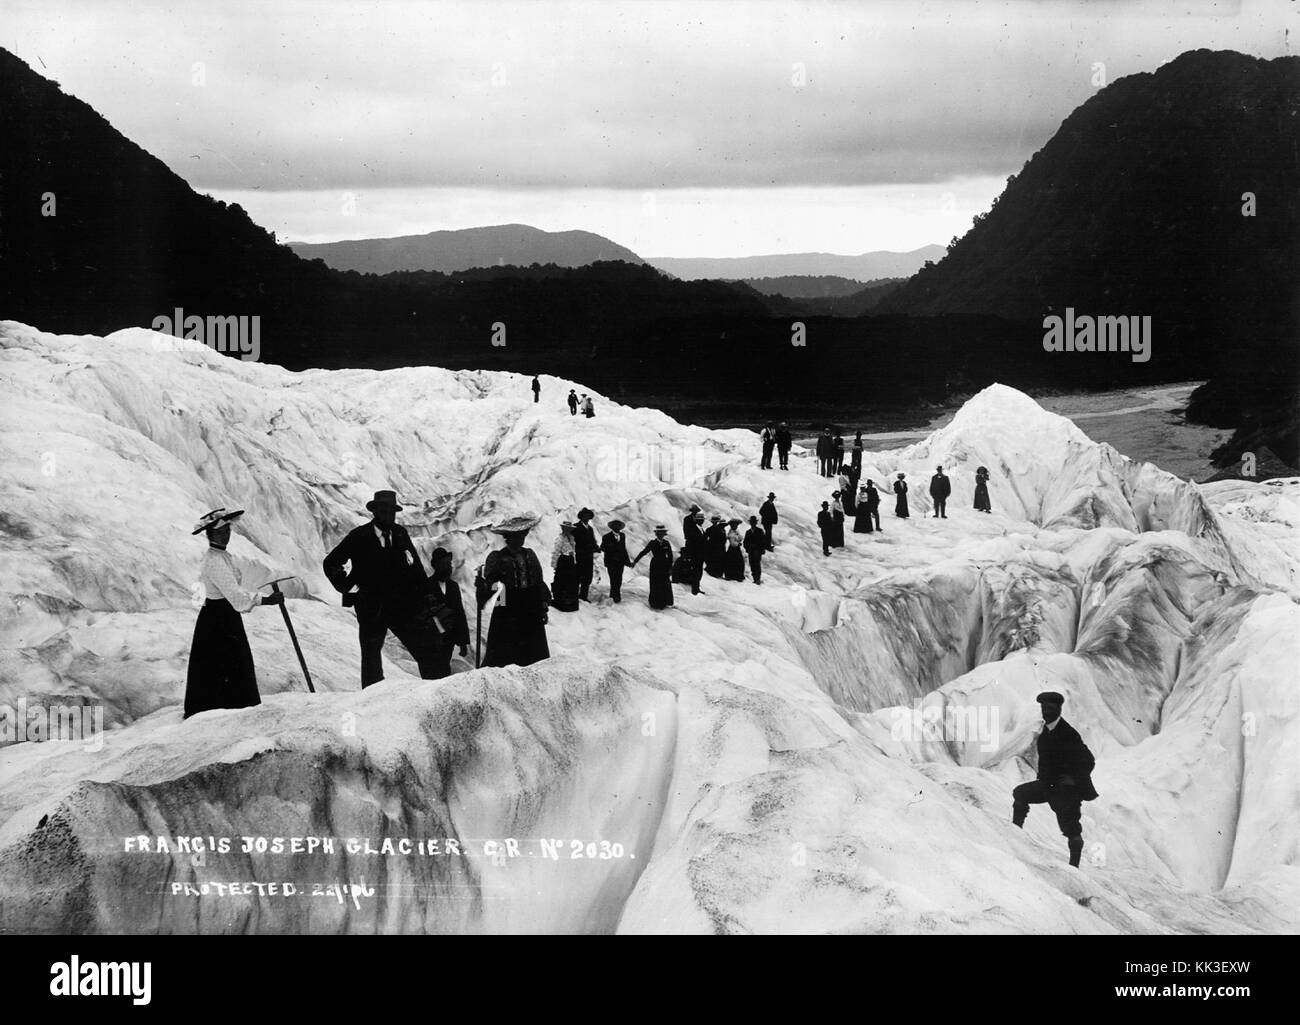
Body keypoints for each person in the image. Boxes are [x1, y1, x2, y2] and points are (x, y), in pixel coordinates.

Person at [324, 490, 438, 688]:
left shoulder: (400, 533)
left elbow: (416, 567)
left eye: (392, 511)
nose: (388, 515)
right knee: (371, 658)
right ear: (374, 511)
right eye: (384, 510)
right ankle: (372, 702)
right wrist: (348, 588)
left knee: (424, 650)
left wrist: (425, 595)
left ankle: (431, 696)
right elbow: (331, 562)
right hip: (371, 607)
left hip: (402, 605)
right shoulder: (359, 536)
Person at [184, 508, 282, 718]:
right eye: (221, 532)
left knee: (224, 663)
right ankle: (225, 709)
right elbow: (234, 595)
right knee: (226, 662)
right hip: (219, 617)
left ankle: (228, 707)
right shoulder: (215, 562)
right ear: (211, 535)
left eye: (228, 530)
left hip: (221, 616)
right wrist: (265, 600)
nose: (226, 534)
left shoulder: (221, 556)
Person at [1012, 691, 1099, 868]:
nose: (1046, 712)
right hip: (1047, 785)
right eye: (1044, 708)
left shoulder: (1068, 734)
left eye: (1050, 708)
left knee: (1071, 827)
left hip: (1065, 790)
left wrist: (1072, 780)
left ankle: (1074, 867)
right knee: (1020, 794)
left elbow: (1088, 760)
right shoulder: (1047, 730)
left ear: (1059, 709)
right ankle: (1014, 836)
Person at [478, 516, 551, 667]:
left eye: (522, 536)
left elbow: (538, 582)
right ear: (508, 538)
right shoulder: (498, 557)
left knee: (533, 649)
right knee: (506, 648)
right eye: (516, 537)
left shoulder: (530, 554)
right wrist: (483, 589)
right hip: (509, 604)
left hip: (531, 605)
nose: (520, 540)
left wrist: (543, 606)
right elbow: (492, 584)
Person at [414, 547, 470, 679]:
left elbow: (459, 614)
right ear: (436, 565)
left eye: (449, 563)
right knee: (432, 674)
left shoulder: (453, 587)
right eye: (444, 563)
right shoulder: (426, 586)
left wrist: (463, 642)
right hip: (430, 641)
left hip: (448, 640)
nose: (448, 567)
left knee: (445, 671)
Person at [631, 525, 674, 609]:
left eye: (662, 533)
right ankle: (655, 603)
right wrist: (635, 561)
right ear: (656, 534)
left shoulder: (666, 543)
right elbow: (643, 552)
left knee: (665, 584)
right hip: (655, 565)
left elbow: (670, 556)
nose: (660, 535)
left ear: (664, 534)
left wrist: (670, 568)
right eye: (659, 533)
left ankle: (664, 602)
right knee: (655, 584)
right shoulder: (653, 543)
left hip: (664, 566)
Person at [550, 521, 580, 612]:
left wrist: (574, 561)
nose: (568, 531)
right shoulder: (560, 539)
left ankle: (570, 602)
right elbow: (555, 552)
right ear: (563, 529)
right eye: (566, 529)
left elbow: (573, 551)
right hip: (563, 561)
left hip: (570, 561)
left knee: (571, 582)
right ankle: (560, 601)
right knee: (561, 581)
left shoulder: (571, 538)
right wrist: (555, 564)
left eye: (569, 529)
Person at [600, 519, 633, 602]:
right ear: (612, 527)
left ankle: (615, 595)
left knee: (619, 579)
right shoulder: (606, 537)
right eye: (615, 525)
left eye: (618, 526)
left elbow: (623, 549)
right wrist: (611, 551)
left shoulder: (622, 536)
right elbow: (602, 548)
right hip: (611, 562)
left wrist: (627, 562)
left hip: (620, 562)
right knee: (613, 579)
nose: (617, 527)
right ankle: (614, 596)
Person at [681, 505, 707, 595]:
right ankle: (694, 588)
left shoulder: (701, 528)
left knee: (698, 570)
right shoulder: (688, 519)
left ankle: (696, 587)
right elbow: (687, 532)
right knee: (695, 569)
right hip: (694, 549)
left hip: (699, 551)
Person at [574, 507, 597, 601]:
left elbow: (593, 541)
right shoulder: (575, 527)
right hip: (579, 556)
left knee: (587, 576)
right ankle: (574, 595)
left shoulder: (590, 529)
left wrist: (596, 547)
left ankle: (584, 596)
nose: (587, 517)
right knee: (577, 576)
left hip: (589, 556)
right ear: (581, 517)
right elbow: (573, 541)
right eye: (585, 515)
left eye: (588, 516)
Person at [743, 515, 766, 584]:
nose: (753, 523)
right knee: (752, 564)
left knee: (757, 564)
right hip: (751, 551)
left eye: (754, 522)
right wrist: (748, 548)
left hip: (757, 551)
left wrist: (760, 549)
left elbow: (763, 541)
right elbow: (745, 542)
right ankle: (755, 578)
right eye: (752, 522)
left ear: (755, 523)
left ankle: (757, 579)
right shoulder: (748, 532)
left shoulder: (760, 531)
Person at [704, 514, 727, 578]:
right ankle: (714, 572)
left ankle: (717, 572)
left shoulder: (720, 530)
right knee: (714, 560)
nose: (715, 522)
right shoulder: (713, 529)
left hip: (718, 547)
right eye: (714, 521)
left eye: (716, 521)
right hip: (714, 547)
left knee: (718, 560)